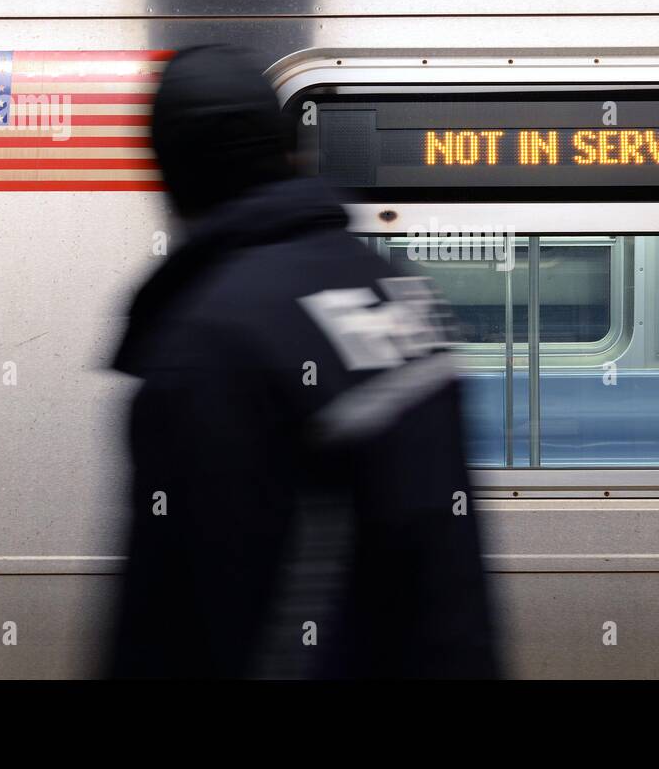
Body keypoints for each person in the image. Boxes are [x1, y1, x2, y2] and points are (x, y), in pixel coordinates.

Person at [109, 45, 497, 679]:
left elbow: (165, 622)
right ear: (285, 150)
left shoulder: (208, 341)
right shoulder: (400, 292)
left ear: (174, 177)